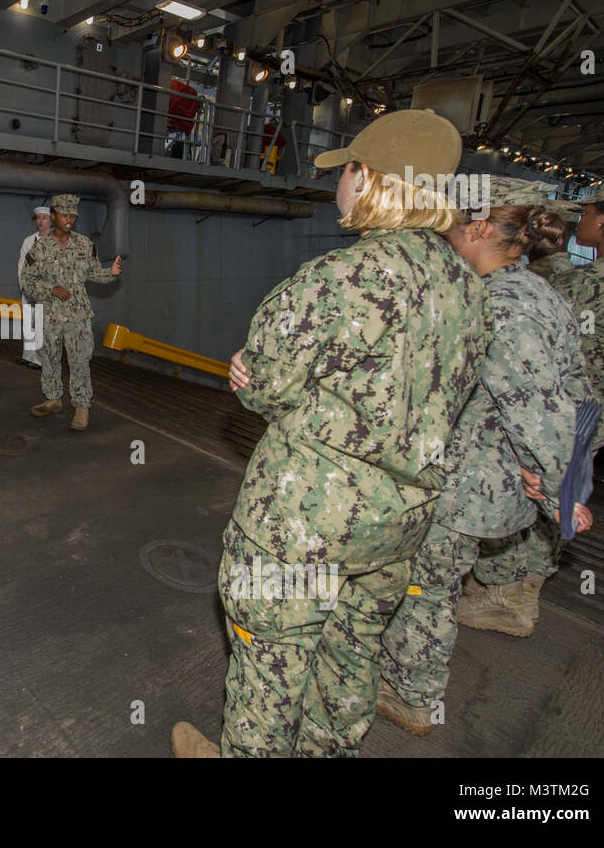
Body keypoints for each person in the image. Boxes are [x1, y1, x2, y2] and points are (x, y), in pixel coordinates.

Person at [171, 110, 493, 758]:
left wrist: (250, 372)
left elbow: (262, 382)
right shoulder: (471, 289)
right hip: (397, 527)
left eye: (347, 168)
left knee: (272, 669)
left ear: (367, 178)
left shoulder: (337, 278)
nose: (340, 183)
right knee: (350, 658)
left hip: (303, 527)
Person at [376, 196, 595, 736]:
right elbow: (577, 391)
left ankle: (410, 693)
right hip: (491, 472)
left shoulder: (501, 306)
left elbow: (535, 405)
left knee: (427, 587)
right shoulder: (534, 291)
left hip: (471, 481)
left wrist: (555, 486)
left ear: (477, 228)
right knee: (435, 581)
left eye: (450, 226)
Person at [462, 172, 604, 631]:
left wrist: (544, 260)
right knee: (559, 478)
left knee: (536, 478)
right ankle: (525, 587)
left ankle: (505, 595)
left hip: (571, 405)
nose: (581, 217)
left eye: (589, 210)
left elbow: (545, 310)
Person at [20, 195, 122, 430]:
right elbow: (27, 281)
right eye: (64, 215)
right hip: (50, 315)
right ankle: (53, 399)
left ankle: (82, 407)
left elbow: (94, 274)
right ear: (53, 216)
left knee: (79, 362)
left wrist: (112, 273)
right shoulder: (40, 247)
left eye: (73, 216)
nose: (69, 219)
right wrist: (51, 289)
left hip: (78, 316)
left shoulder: (85, 244)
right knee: (49, 359)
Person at [17, 206, 52, 369]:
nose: (41, 221)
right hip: (28, 289)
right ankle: (28, 356)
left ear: (51, 221)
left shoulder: (55, 241)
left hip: (45, 290)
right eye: (38, 218)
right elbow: (21, 264)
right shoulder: (28, 240)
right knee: (27, 323)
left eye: (44, 218)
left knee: (41, 325)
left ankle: (40, 360)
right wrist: (23, 285)